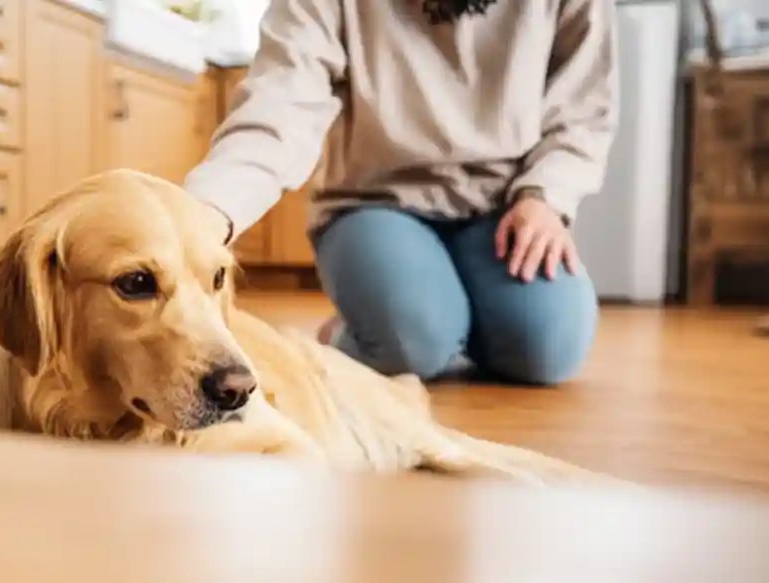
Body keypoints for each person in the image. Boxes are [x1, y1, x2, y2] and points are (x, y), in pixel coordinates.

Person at [185, 0, 616, 385]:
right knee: (413, 345)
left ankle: (434, 317)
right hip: (372, 202)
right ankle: (364, 331)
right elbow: (280, 106)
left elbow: (584, 111)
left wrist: (546, 196)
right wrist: (204, 212)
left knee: (546, 348)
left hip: (503, 208)